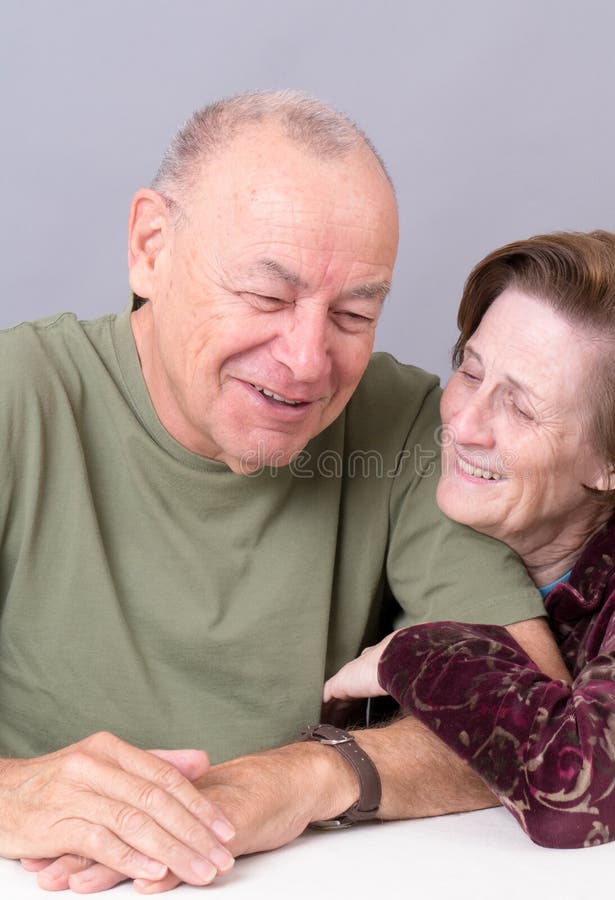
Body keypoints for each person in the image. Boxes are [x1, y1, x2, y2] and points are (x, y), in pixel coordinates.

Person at [0, 92, 569, 893]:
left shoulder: (407, 422)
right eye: (266, 296)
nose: (307, 360)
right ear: (150, 247)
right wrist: (13, 794)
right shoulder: (15, 398)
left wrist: (304, 778)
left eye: (351, 313)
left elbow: (533, 717)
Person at [325, 231, 615, 848]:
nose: (464, 425)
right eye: (470, 371)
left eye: (522, 409)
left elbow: (579, 787)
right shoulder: (414, 497)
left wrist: (414, 655)